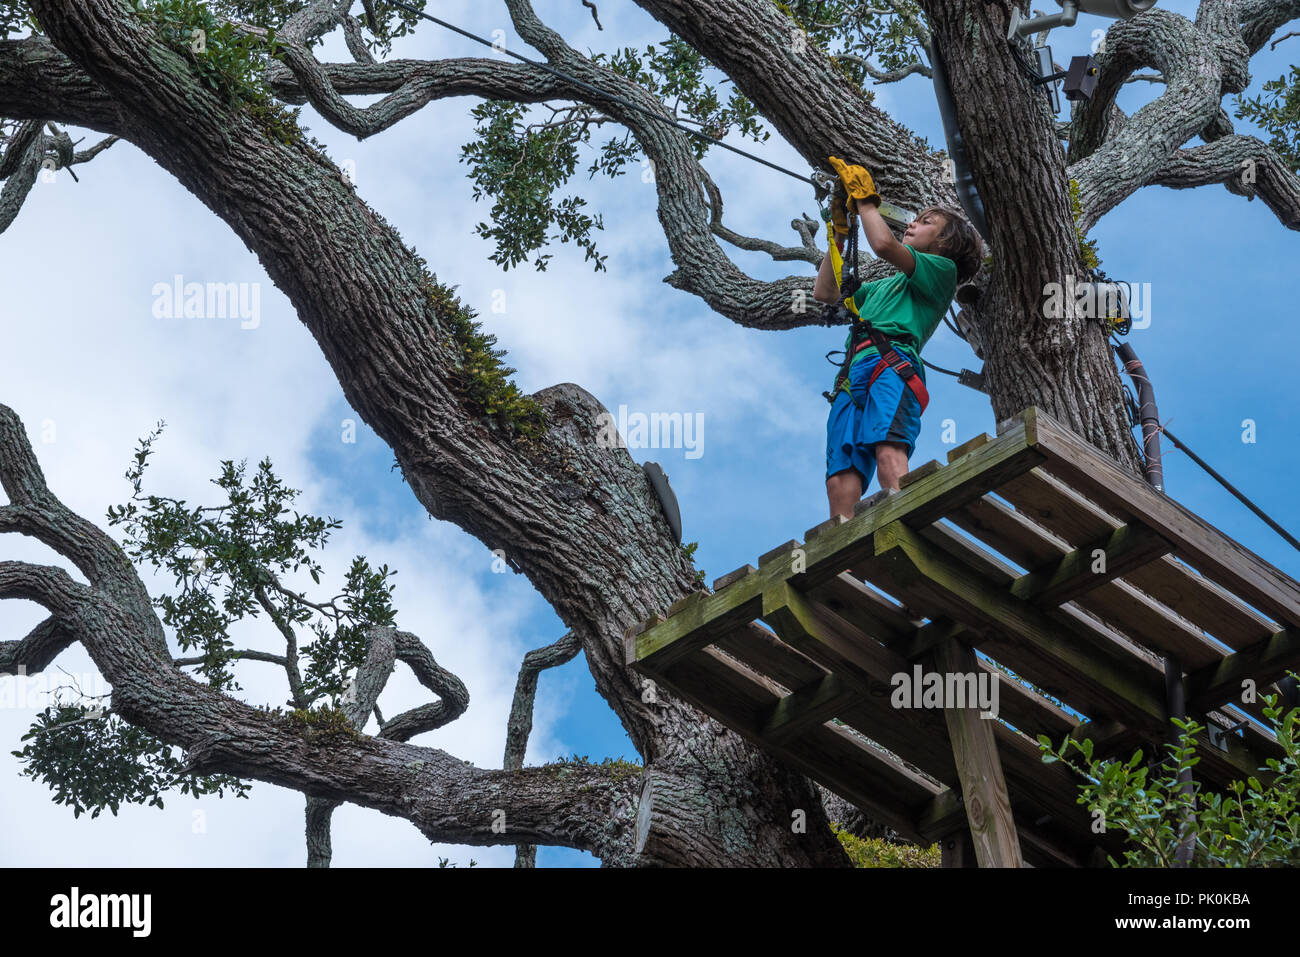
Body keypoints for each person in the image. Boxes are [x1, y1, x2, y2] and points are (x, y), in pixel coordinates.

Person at [813, 160, 983, 520]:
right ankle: (845, 544)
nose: (912, 224)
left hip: (892, 365)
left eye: (925, 222)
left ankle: (905, 520)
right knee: (840, 476)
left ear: (946, 242)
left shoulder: (942, 272)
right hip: (852, 375)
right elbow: (825, 292)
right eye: (915, 219)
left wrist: (866, 201)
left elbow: (883, 245)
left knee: (888, 449)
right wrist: (838, 234)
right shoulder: (881, 289)